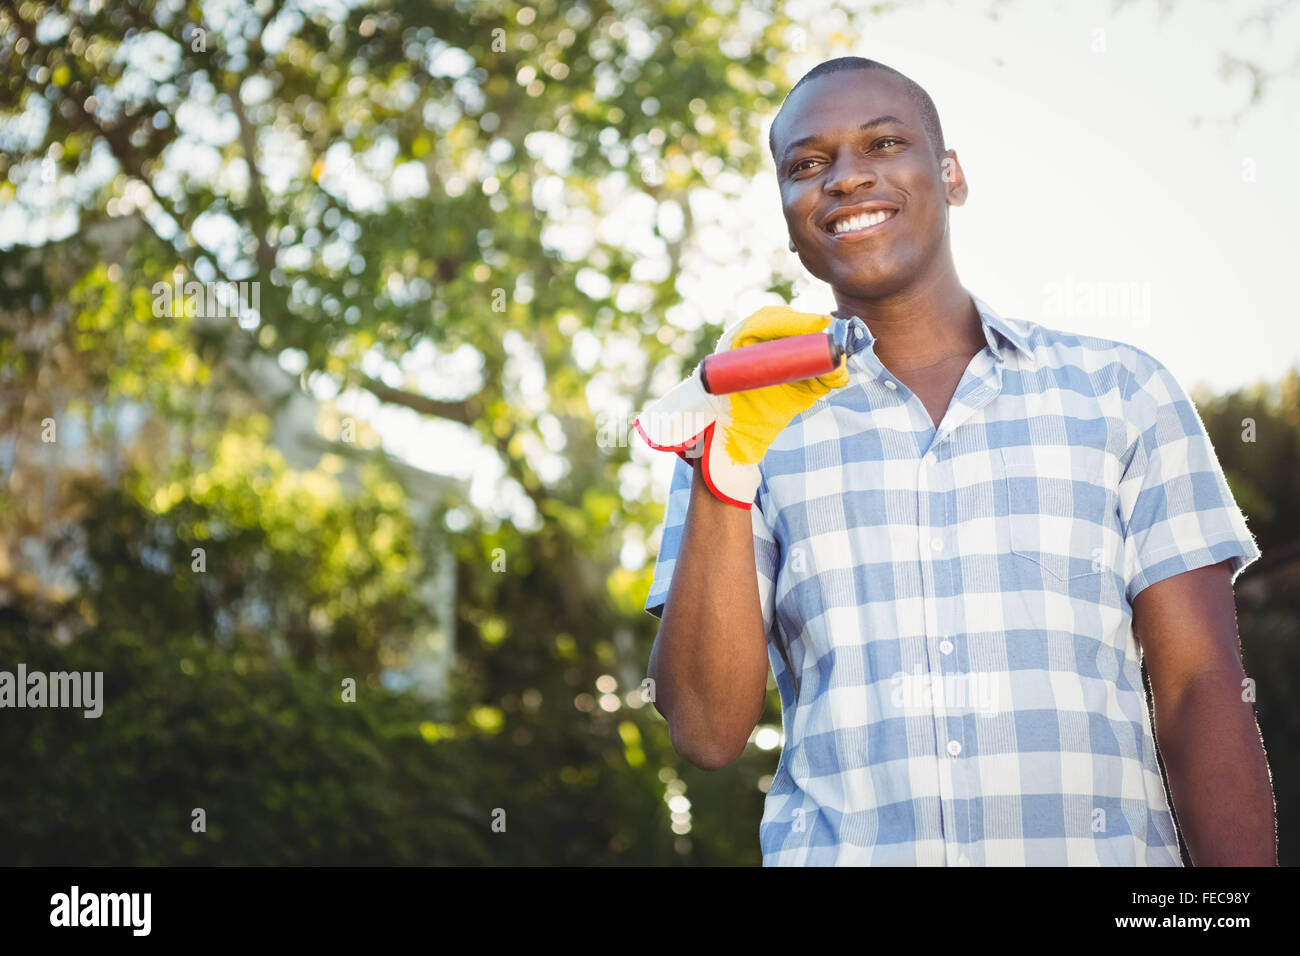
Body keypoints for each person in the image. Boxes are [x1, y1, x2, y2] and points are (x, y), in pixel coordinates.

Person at [637, 56, 1276, 866]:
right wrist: (721, 475)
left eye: (883, 143)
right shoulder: (736, 424)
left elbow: (1198, 690)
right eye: (808, 165)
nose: (844, 178)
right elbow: (704, 730)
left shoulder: (1121, 392)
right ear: (791, 222)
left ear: (951, 177)